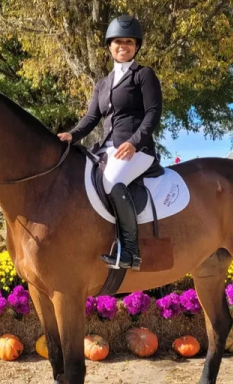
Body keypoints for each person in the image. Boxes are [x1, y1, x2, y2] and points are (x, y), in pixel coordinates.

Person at [58, 14, 162, 270]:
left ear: (136, 46)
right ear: (109, 46)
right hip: (106, 148)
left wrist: (136, 142)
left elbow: (153, 113)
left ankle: (130, 252)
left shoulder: (143, 75)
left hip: (138, 149)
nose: (123, 46)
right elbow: (92, 117)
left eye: (128, 41)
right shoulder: (103, 84)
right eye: (118, 42)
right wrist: (73, 134)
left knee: (112, 181)